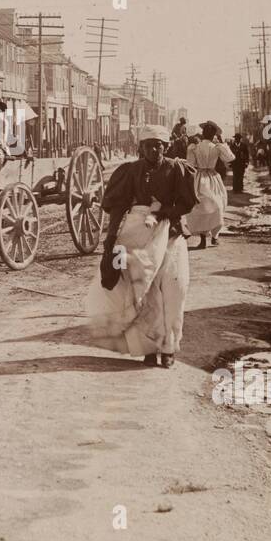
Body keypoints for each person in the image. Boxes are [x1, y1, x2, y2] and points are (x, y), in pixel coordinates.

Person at [87, 125, 197, 368]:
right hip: (138, 233)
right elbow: (118, 207)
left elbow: (187, 203)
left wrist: (164, 214)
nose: (154, 149)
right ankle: (149, 347)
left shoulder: (176, 169)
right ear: (141, 148)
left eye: (158, 144)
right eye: (148, 145)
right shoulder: (130, 171)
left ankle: (168, 347)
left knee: (173, 289)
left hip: (169, 233)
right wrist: (110, 242)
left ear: (166, 146)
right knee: (143, 292)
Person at [182, 121, 234, 248]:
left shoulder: (195, 147)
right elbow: (230, 158)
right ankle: (215, 236)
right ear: (213, 135)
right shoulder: (217, 147)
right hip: (213, 177)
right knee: (218, 205)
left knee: (201, 207)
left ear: (203, 133)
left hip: (199, 177)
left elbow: (190, 163)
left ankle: (203, 238)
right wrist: (221, 144)